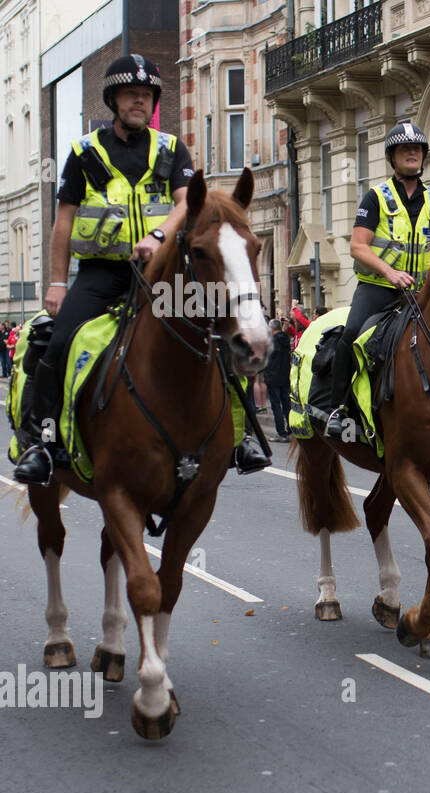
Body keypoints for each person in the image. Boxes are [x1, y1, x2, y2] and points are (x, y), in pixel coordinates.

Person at [11, 55, 266, 483]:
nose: (139, 102)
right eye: (131, 94)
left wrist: (160, 238)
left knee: (216, 337)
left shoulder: (170, 149)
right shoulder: (84, 153)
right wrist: (57, 283)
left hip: (157, 276)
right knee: (57, 343)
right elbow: (64, 221)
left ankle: (242, 437)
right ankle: (44, 440)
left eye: (146, 96)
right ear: (113, 99)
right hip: (99, 274)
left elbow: (187, 202)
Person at [324, 121, 430, 440]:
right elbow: (357, 246)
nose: (412, 153)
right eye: (404, 149)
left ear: (424, 157)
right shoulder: (376, 198)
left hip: (423, 293)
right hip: (379, 289)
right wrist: (389, 272)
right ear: (392, 157)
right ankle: (339, 408)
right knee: (352, 333)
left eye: (417, 149)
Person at [264, 319, 292, 441]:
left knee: (276, 406)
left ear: (272, 329)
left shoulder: (271, 341)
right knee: (287, 405)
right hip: (285, 376)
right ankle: (291, 430)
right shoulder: (286, 339)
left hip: (273, 377)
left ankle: (281, 433)